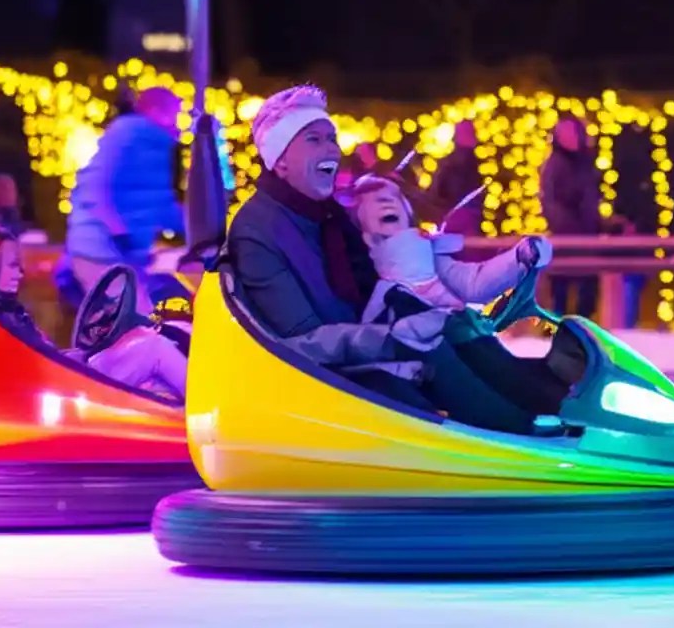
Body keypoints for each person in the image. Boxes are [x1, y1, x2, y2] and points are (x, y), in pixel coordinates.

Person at [226, 84, 556, 435]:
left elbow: (389, 269)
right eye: (314, 140)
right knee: (429, 347)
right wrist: (391, 337)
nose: (331, 151)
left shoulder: (329, 216)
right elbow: (298, 342)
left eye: (332, 139)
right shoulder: (258, 231)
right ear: (279, 160)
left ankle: (551, 408)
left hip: (363, 345)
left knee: (457, 326)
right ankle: (515, 434)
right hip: (323, 378)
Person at [346, 174, 567, 415]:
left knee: (526, 379)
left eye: (392, 197)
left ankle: (560, 411)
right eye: (374, 199)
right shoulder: (374, 279)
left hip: (464, 334)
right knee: (512, 395)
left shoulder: (432, 257)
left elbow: (474, 282)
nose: (385, 202)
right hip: (435, 350)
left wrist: (519, 258)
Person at [0, 225, 188, 401]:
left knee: (150, 358)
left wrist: (85, 353)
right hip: (56, 397)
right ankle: (213, 415)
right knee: (153, 348)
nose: (20, 273)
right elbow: (30, 369)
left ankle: (180, 426)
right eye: (11, 266)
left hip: (57, 387)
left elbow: (38, 360)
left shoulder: (2, 312)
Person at [65, 87, 186, 315]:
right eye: (174, 113)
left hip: (115, 253)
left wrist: (196, 226)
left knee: (134, 319)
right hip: (100, 251)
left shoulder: (152, 143)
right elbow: (96, 186)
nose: (176, 122)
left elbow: (158, 203)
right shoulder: (128, 134)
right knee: (133, 320)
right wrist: (118, 231)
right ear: (155, 109)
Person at [540, 115, 602, 318]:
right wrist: (566, 227)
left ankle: (581, 331)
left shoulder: (587, 164)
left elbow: (591, 197)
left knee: (587, 291)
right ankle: (558, 330)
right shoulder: (555, 165)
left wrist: (597, 223)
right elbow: (550, 201)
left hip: (587, 237)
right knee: (562, 289)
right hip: (567, 237)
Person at [430, 122, 485, 236]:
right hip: (461, 220)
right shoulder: (472, 165)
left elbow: (440, 192)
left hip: (455, 219)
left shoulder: (451, 164)